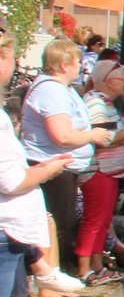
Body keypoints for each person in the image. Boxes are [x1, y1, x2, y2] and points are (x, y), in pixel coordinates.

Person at [0, 32, 86, 297]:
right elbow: (12, 180)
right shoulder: (50, 91)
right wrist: (49, 169)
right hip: (13, 208)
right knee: (53, 226)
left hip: (14, 217)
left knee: (30, 235)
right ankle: (45, 279)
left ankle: (35, 285)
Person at [20, 39, 111, 278]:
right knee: (57, 225)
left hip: (62, 165)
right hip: (52, 165)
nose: (81, 66)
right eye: (77, 61)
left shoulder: (63, 89)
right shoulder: (51, 90)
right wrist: (92, 135)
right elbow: (61, 135)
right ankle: (50, 277)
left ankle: (54, 275)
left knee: (61, 223)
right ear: (63, 65)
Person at [78, 59, 124, 283]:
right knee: (95, 219)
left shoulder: (104, 103)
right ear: (108, 81)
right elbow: (103, 139)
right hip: (99, 169)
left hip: (109, 169)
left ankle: (96, 265)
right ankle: (84, 268)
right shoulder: (96, 104)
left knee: (103, 219)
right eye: (121, 78)